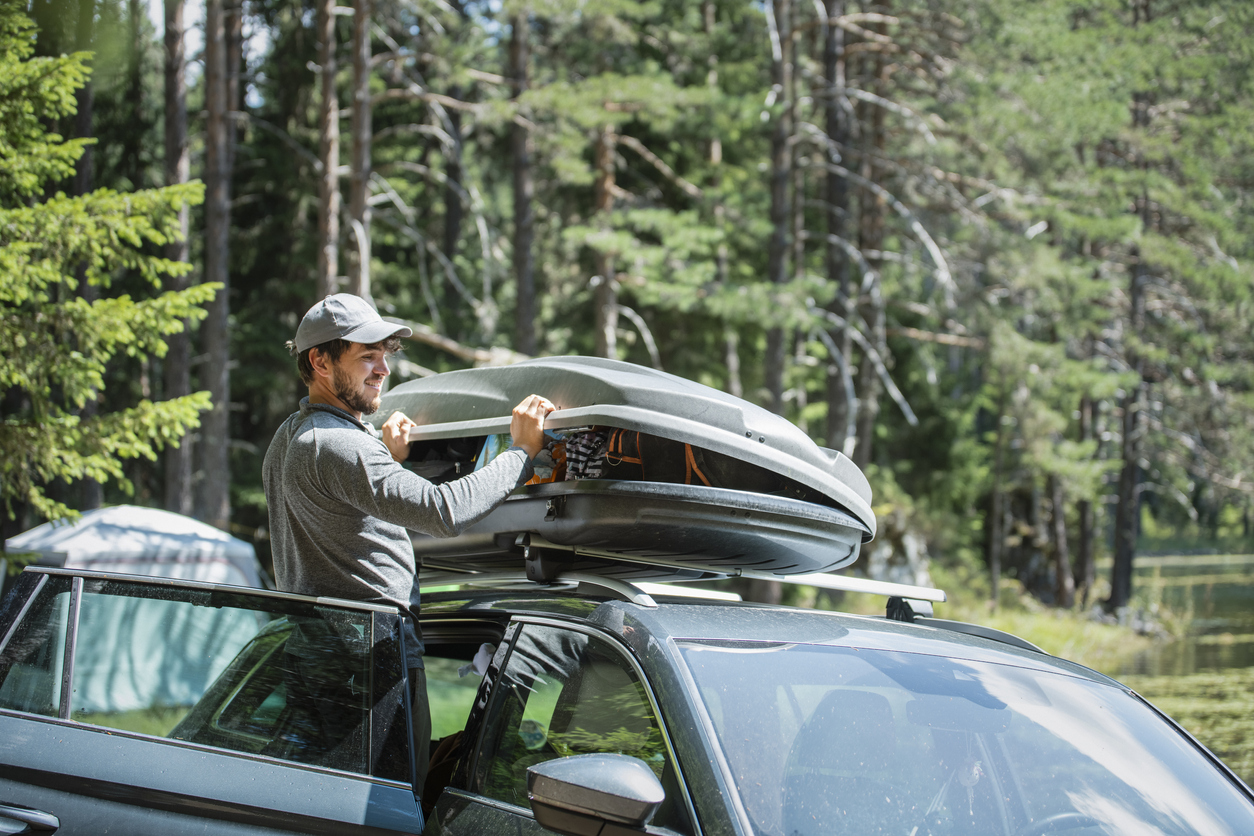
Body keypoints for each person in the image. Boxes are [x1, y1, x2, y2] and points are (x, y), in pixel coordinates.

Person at [263, 293, 554, 810]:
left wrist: (384, 455)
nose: (383, 369)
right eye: (366, 356)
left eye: (386, 354)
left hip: (320, 653)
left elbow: (342, 514)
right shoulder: (340, 445)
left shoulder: (290, 437)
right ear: (320, 361)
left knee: (331, 808)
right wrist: (521, 452)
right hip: (370, 662)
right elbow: (444, 511)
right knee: (392, 810)